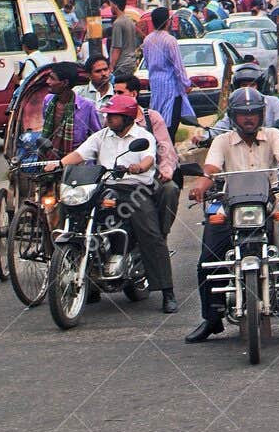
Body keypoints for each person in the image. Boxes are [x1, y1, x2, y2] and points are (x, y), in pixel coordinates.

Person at [184, 88, 279, 341]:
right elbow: (211, 169)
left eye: (253, 113)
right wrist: (199, 186)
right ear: (233, 116)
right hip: (232, 206)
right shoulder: (222, 141)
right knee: (208, 257)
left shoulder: (273, 135)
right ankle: (211, 319)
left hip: (269, 205)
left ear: (261, 114)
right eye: (243, 113)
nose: (249, 118)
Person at [47, 93, 178, 314]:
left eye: (113, 116)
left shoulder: (143, 136)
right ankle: (87, 279)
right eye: (107, 115)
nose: (107, 119)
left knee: (150, 234)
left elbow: (148, 159)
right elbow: (79, 154)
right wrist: (58, 164)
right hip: (104, 188)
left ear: (127, 118)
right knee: (75, 215)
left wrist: (138, 168)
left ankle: (167, 291)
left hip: (134, 190)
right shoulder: (101, 136)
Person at [112, 75, 180, 236]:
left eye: (120, 92)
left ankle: (160, 235)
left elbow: (165, 147)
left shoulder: (151, 117)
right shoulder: (111, 118)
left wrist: (166, 169)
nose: (115, 97)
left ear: (134, 94)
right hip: (118, 176)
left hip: (149, 174)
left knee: (170, 189)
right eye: (114, 92)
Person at [141, 7, 194, 131]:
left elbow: (147, 63)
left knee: (157, 121)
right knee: (170, 123)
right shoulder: (170, 40)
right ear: (168, 21)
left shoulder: (147, 40)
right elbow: (178, 66)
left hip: (155, 85)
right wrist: (186, 84)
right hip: (171, 88)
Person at [207, 64, 279, 134]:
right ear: (237, 87)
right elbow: (222, 125)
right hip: (240, 146)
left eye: (252, 85)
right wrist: (206, 137)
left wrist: (277, 137)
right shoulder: (235, 104)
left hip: (269, 146)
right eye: (244, 85)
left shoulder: (273, 102)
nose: (248, 89)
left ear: (259, 86)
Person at [42, 62, 103, 156]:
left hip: (76, 158)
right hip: (50, 156)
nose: (48, 81)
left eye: (52, 78)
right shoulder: (48, 100)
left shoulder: (87, 106)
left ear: (65, 83)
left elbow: (98, 136)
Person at [107, 0, 143, 80]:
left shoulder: (118, 23)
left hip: (121, 65)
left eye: (111, 5)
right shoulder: (130, 21)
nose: (110, 8)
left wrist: (111, 66)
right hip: (131, 63)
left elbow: (117, 48)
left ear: (115, 6)